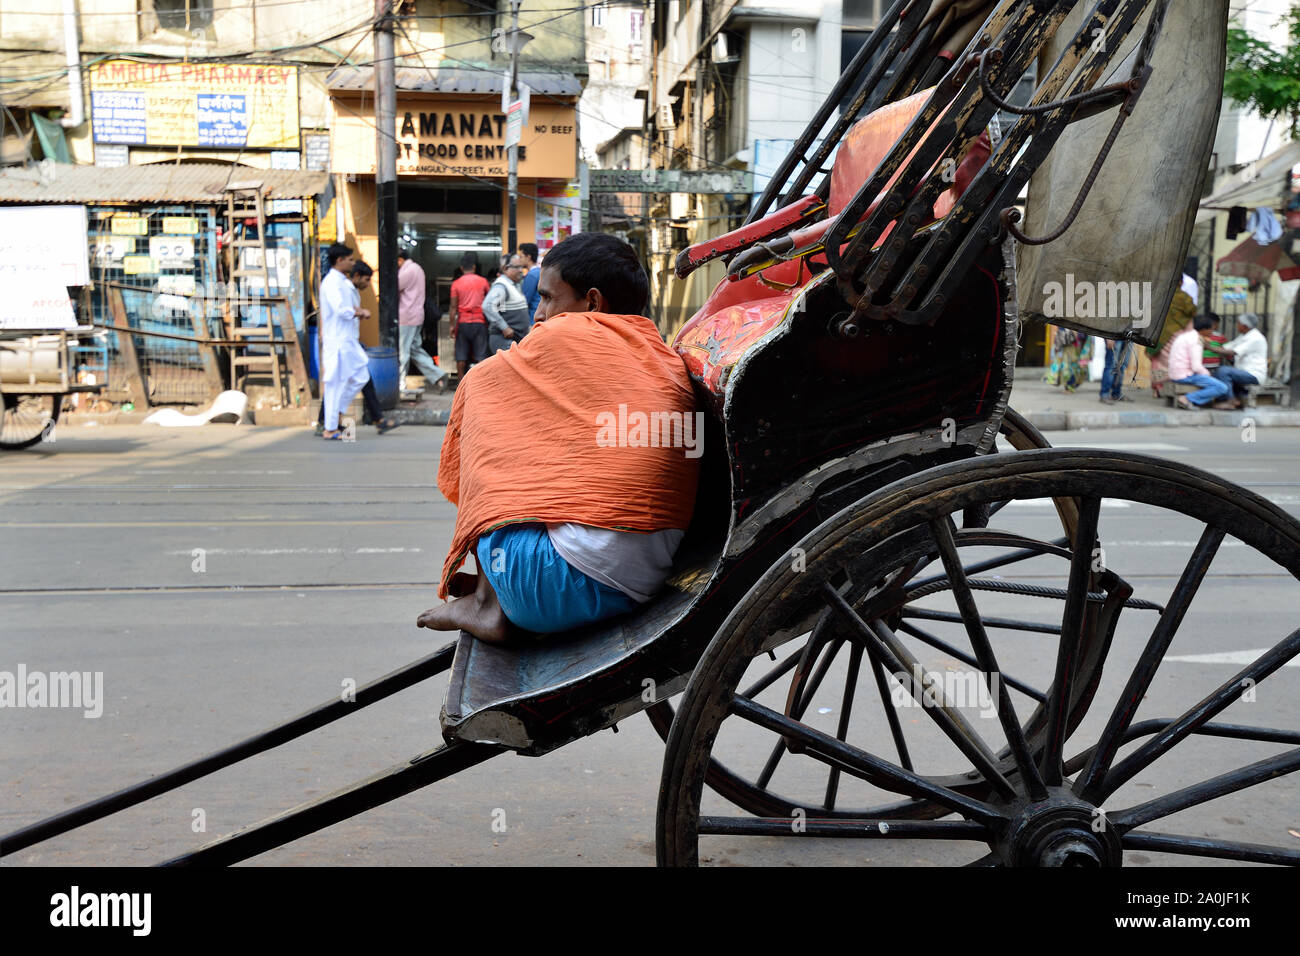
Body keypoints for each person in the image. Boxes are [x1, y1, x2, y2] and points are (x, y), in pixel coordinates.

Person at [417, 232, 698, 644]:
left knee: (488, 413)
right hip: (636, 583)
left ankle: (486, 603)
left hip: (552, 589)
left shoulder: (569, 334)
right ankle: (487, 593)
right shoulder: (656, 350)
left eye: (548, 298)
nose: (539, 315)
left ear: (593, 303)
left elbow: (478, 384)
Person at [316, 260, 399, 436]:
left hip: (349, 340)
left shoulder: (347, 287)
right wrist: (360, 312)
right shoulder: (340, 286)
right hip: (342, 341)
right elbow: (342, 310)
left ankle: (332, 420)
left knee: (358, 377)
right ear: (356, 276)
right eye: (366, 280)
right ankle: (328, 423)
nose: (367, 284)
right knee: (340, 380)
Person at [396, 247, 449, 394]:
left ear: (400, 259)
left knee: (403, 352)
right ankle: (438, 375)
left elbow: (393, 287)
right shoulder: (418, 268)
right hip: (417, 316)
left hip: (406, 316)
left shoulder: (406, 271)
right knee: (414, 349)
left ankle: (400, 384)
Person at [1168, 314, 1232, 410]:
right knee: (1222, 387)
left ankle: (1193, 400)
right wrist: (1208, 374)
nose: (1212, 332)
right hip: (1185, 376)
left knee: (1212, 381)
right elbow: (1196, 367)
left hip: (1175, 374)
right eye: (1210, 329)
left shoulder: (1186, 336)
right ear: (1203, 330)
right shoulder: (1196, 340)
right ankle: (1186, 399)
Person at [1210, 313, 1269, 408]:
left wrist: (1209, 348)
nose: (1237, 325)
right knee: (1218, 373)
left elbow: (1233, 352)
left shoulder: (1255, 338)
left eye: (1238, 323)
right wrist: (1211, 347)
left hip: (1253, 374)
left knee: (1223, 371)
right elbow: (1227, 347)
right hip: (1243, 371)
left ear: (1245, 326)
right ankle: (1235, 399)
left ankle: (1230, 401)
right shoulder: (1244, 335)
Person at [449, 252, 490, 379]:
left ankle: (461, 385)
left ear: (461, 268)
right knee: (481, 356)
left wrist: (451, 325)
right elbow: (490, 302)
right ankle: (481, 385)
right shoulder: (483, 282)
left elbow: (453, 307)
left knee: (461, 356)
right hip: (480, 322)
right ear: (474, 267)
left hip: (463, 322)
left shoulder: (456, 283)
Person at [483, 253, 532, 353]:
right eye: (517, 267)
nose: (520, 270)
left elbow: (500, 308)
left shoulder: (514, 284)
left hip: (515, 339)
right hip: (503, 340)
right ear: (505, 268)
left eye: (521, 267)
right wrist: (504, 327)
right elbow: (487, 306)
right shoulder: (501, 286)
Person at [1043, 325, 1091, 392]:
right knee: (1068, 365)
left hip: (1072, 342)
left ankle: (1069, 385)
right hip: (1069, 341)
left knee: (1071, 365)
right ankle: (1068, 385)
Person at [1099, 338, 1134, 404]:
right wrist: (1109, 337)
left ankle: (1116, 393)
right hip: (1115, 336)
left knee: (1122, 366)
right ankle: (1105, 394)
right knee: (1111, 366)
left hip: (1129, 337)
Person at [518, 242, 541, 320]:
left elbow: (525, 300)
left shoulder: (531, 275)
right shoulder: (539, 272)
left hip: (533, 317)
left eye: (521, 257)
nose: (519, 260)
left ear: (528, 257)